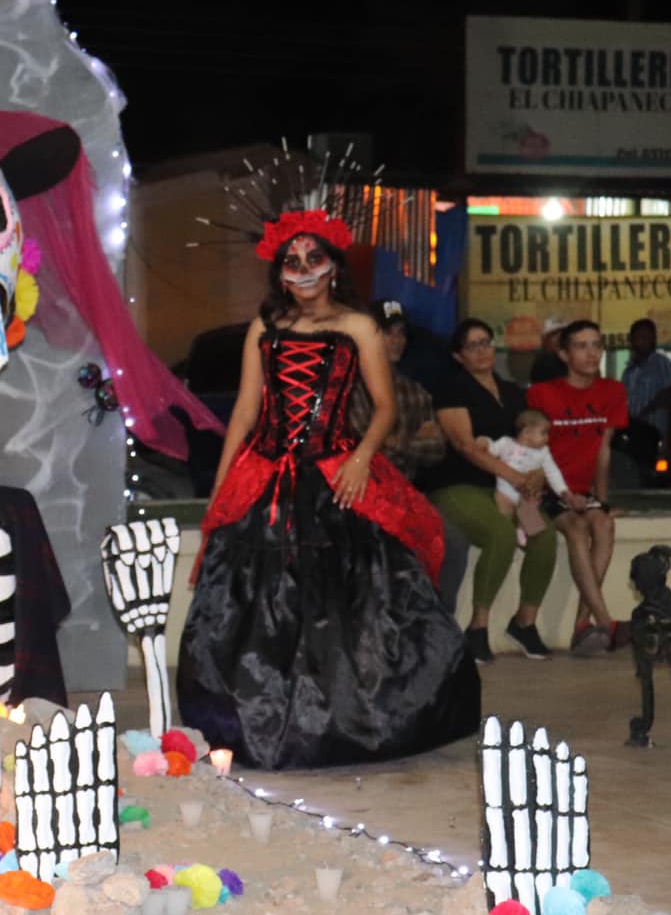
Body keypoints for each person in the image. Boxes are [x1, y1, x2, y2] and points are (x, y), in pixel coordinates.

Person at [175, 216, 478, 769]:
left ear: (333, 265)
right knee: (253, 606)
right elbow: (246, 408)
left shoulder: (358, 326)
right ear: (281, 274)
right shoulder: (265, 325)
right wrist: (223, 482)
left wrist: (361, 459)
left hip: (336, 468)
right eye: (292, 262)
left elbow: (384, 408)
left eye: (314, 259)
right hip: (264, 471)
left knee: (347, 601)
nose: (304, 271)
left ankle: (339, 720)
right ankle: (253, 720)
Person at [421, 318, 560, 662]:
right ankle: (477, 628)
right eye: (472, 345)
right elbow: (465, 445)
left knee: (545, 535)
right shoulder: (451, 388)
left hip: (510, 489)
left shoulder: (513, 392)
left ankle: (524, 622)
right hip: (459, 485)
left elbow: (533, 444)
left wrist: (537, 478)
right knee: (500, 533)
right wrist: (515, 476)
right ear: (458, 356)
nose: (482, 350)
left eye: (486, 342)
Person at [358, 301, 468, 613]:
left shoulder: (412, 391)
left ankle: (438, 629)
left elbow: (437, 449)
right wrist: (406, 441)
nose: (396, 340)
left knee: (452, 543)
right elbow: (362, 449)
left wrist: (391, 440)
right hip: (359, 494)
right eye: (387, 333)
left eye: (400, 333)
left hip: (403, 492)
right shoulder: (349, 387)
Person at [528, 320, 629, 654]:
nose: (591, 353)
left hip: (585, 493)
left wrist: (601, 500)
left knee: (604, 523)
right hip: (547, 490)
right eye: (581, 346)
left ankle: (582, 626)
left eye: (596, 345)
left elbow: (603, 451)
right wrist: (560, 497)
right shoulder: (542, 394)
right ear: (564, 353)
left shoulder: (612, 392)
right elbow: (533, 455)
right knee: (575, 528)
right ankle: (604, 621)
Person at [488, 410, 574, 547]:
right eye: (543, 433)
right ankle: (507, 532)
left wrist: (563, 490)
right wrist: (484, 442)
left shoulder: (543, 452)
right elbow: (490, 451)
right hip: (504, 491)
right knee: (504, 514)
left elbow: (552, 472)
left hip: (527, 493)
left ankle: (522, 530)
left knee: (532, 519)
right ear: (527, 432)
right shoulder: (505, 443)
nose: (547, 438)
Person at [620, 317, 671, 473]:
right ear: (631, 339)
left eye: (651, 336)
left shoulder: (661, 363)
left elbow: (669, 394)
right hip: (631, 431)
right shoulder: (628, 370)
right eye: (642, 336)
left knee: (653, 472)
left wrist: (645, 412)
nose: (647, 340)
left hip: (653, 430)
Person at [528, 319, 569, 384]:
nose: (560, 337)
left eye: (563, 333)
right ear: (545, 340)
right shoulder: (544, 360)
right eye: (554, 334)